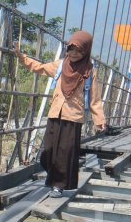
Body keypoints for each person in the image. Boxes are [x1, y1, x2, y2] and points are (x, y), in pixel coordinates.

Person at [14, 31, 106, 198]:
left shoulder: (90, 71)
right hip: (55, 113)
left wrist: (99, 119)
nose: (74, 53)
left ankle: (58, 185)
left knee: (65, 153)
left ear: (86, 51)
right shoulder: (60, 65)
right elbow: (39, 67)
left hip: (73, 117)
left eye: (78, 50)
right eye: (71, 49)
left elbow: (95, 98)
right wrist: (21, 57)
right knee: (48, 151)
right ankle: (53, 176)